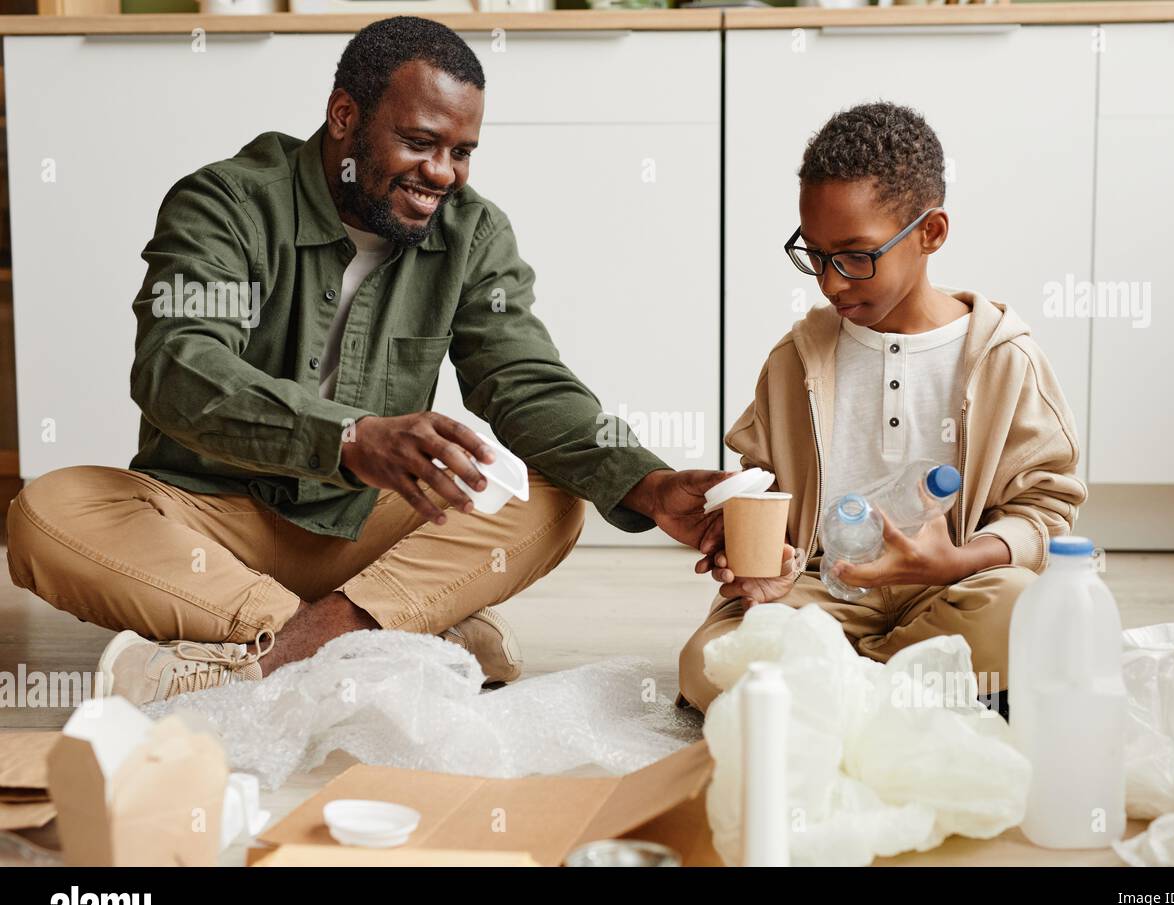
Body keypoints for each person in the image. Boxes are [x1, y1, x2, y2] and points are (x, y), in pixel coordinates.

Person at [6, 17, 723, 706]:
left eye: (461, 150)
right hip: (209, 524)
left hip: (361, 530)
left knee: (555, 497)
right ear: (345, 116)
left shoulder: (472, 234)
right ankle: (397, 631)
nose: (441, 173)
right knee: (47, 514)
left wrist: (649, 483)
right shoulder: (226, 203)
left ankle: (275, 655)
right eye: (420, 142)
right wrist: (347, 436)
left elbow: (524, 382)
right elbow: (178, 367)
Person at [679, 101, 1087, 717]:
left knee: (1017, 605)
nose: (831, 283)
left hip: (950, 589)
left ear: (931, 233)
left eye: (855, 256)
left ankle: (838, 688)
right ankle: (907, 686)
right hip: (820, 595)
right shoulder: (796, 359)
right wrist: (763, 561)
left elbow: (1046, 509)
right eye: (814, 255)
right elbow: (765, 497)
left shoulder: (1004, 358)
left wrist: (957, 560)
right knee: (706, 661)